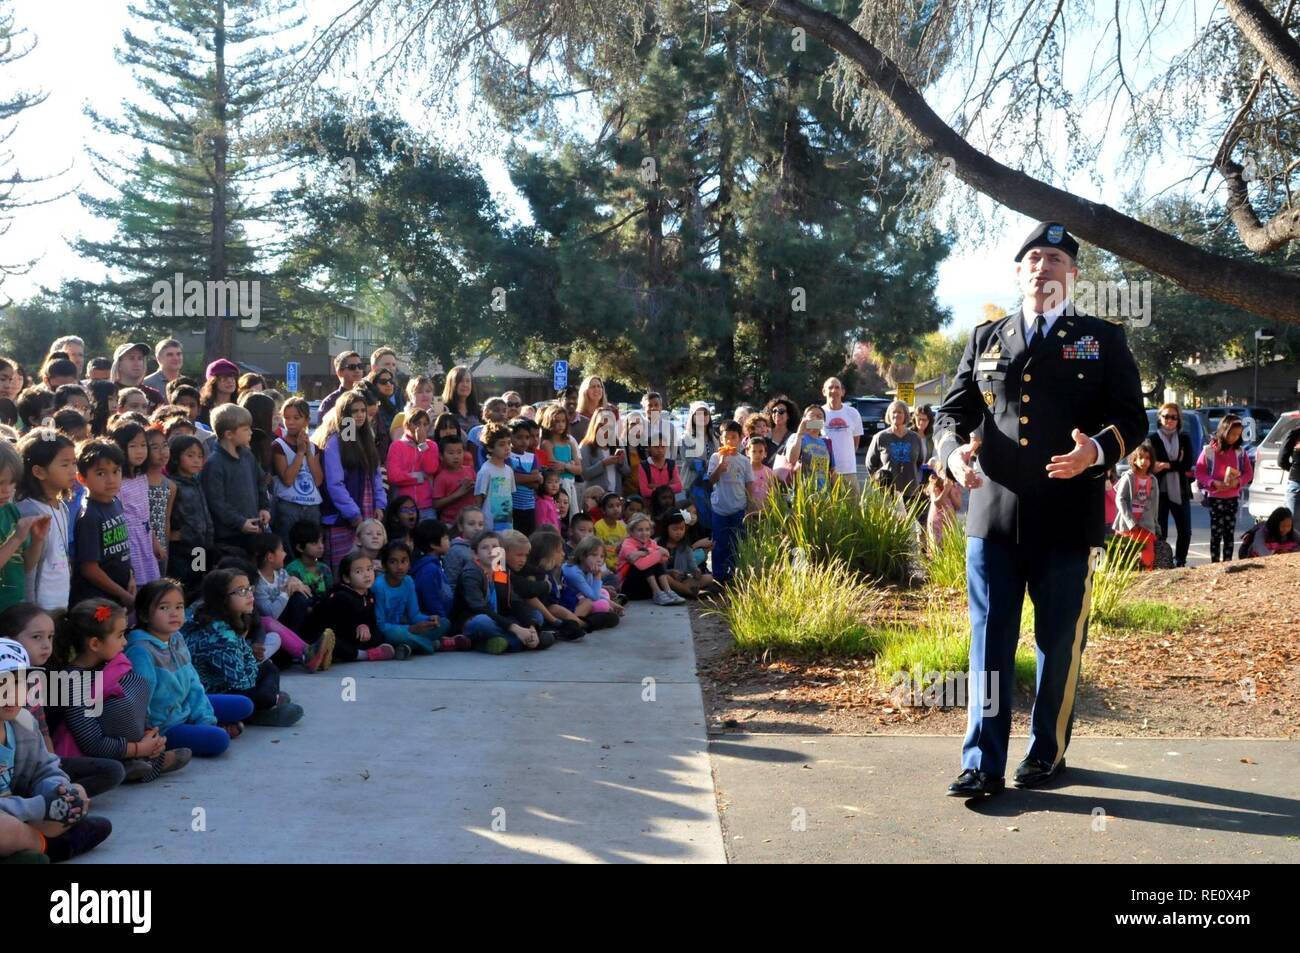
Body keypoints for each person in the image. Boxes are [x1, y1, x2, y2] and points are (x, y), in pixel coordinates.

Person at [933, 221, 1147, 798]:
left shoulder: (1102, 338)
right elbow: (950, 414)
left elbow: (1133, 419)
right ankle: (982, 762)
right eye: (1033, 257)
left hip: (1066, 517)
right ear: (1018, 271)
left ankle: (1046, 751)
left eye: (1055, 258)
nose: (1042, 266)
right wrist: (953, 458)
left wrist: (1096, 452)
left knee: (1058, 643)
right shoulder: (986, 337)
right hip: (994, 517)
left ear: (1073, 274)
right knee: (989, 641)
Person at [50, 598, 190, 782]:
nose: (125, 642)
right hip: (86, 754)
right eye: (119, 635)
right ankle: (134, 763)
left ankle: (142, 760)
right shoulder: (71, 681)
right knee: (112, 771)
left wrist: (149, 736)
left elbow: (135, 706)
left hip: (124, 746)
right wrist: (139, 748)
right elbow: (91, 742)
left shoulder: (107, 664)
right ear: (95, 644)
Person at [0, 638, 113, 862]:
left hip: (19, 815)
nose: (11, 693)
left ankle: (27, 847)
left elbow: (45, 769)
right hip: (8, 821)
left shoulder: (24, 723)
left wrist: (59, 792)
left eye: (19, 684)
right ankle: (52, 847)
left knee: (77, 792)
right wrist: (40, 806)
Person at [5, 603, 126, 797]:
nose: (46, 645)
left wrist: (54, 770)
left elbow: (43, 732)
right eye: (37, 637)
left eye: (50, 637)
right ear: (8, 641)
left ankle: (61, 797)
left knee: (113, 770)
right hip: (11, 767)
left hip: (36, 765)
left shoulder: (37, 677)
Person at [125, 579, 256, 756]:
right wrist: (149, 737)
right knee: (219, 740)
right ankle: (216, 728)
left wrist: (205, 719)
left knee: (244, 704)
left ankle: (211, 726)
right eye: (164, 608)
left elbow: (193, 682)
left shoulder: (176, 638)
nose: (174, 614)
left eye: (179, 607)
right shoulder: (141, 651)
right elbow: (140, 702)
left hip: (184, 705)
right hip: (165, 725)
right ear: (144, 615)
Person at [181, 569, 305, 723]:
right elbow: (243, 682)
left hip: (223, 683)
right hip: (210, 694)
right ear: (223, 599)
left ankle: (268, 702)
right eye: (241, 591)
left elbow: (243, 659)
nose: (250, 594)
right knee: (268, 675)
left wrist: (249, 657)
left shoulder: (218, 620)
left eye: (249, 588)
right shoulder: (220, 636)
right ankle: (261, 711)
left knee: (267, 669)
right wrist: (252, 660)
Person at [314, 390, 386, 574]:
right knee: (344, 570)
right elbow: (335, 483)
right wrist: (352, 513)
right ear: (344, 414)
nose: (360, 415)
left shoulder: (365, 438)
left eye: (363, 410)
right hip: (343, 517)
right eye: (354, 411)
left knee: (364, 569)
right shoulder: (336, 442)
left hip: (367, 511)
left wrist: (380, 504)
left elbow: (375, 476)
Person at [452, 529, 553, 653]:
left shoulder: (499, 569)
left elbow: (513, 600)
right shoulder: (471, 573)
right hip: (472, 620)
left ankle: (510, 640)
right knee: (482, 622)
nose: (491, 551)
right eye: (485, 547)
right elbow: (479, 608)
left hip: (500, 618)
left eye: (495, 547)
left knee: (536, 615)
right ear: (475, 554)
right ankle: (520, 642)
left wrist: (531, 626)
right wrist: (515, 628)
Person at [71, 439, 135, 609]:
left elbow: (122, 549)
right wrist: (122, 594)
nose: (111, 479)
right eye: (101, 473)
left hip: (119, 593)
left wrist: (130, 577)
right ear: (82, 478)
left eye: (116, 471)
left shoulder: (115, 502)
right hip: (98, 601)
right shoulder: (89, 515)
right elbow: (89, 569)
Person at [201, 403, 271, 556]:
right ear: (229, 434)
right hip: (229, 537)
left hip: (253, 530)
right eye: (246, 429)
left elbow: (260, 482)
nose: (250, 433)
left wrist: (264, 507)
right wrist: (240, 522)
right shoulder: (214, 464)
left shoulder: (247, 455)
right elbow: (216, 502)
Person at [1194, 413, 1254, 564]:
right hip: (1215, 498)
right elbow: (1199, 472)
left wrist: (1238, 482)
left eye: (1238, 435)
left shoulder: (1240, 452)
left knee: (1229, 533)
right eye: (1232, 434)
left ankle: (1227, 562)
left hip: (1232, 497)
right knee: (1216, 533)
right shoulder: (1209, 450)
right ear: (1224, 430)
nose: (1234, 437)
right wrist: (1213, 482)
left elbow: (1248, 473)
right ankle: (1215, 563)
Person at [372, 540, 450, 654]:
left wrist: (429, 619)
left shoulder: (408, 581)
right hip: (388, 632)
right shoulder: (379, 586)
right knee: (394, 635)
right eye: (393, 562)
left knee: (444, 623)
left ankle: (410, 645)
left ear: (409, 563)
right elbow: (380, 625)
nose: (399, 567)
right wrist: (410, 629)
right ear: (384, 565)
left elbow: (414, 615)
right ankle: (431, 645)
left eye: (404, 561)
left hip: (405, 629)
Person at [270, 396, 324, 552]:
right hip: (289, 505)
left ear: (306, 420)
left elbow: (318, 480)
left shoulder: (313, 448)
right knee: (289, 548)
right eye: (287, 418)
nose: (291, 422)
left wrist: (308, 452)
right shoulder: (278, 445)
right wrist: (300, 453)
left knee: (312, 547)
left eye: (296, 418)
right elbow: (287, 479)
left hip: (312, 505)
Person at [707, 420, 755, 584]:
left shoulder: (744, 460)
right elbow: (711, 480)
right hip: (720, 508)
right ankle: (718, 576)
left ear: (740, 439)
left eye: (733, 437)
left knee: (737, 542)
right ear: (721, 439)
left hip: (738, 508)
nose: (729, 441)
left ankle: (734, 574)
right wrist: (720, 466)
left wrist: (750, 506)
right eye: (726, 437)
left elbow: (749, 484)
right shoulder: (715, 457)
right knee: (719, 543)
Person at [165, 434, 213, 597]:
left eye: (200, 456)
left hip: (199, 547)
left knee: (198, 584)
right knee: (181, 586)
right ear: (176, 457)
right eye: (190, 455)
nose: (196, 460)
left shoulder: (196, 483)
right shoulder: (172, 485)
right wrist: (177, 535)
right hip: (181, 550)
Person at [1149, 402, 1194, 568]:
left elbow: (1187, 464)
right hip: (1159, 492)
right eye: (1166, 416)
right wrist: (1175, 463)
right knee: (1162, 532)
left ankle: (1180, 561)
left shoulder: (1184, 438)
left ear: (1178, 420)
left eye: (1173, 417)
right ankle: (1163, 563)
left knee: (1185, 531)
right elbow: (1151, 467)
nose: (1170, 420)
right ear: (1160, 418)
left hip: (1180, 490)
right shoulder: (1152, 440)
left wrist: (1166, 465)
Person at [1112, 442, 1161, 570]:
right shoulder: (1128, 477)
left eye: (1148, 458)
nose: (1144, 461)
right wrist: (1130, 521)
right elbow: (1120, 499)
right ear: (1134, 459)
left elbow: (1154, 505)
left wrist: (1156, 525)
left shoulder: (1153, 480)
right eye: (1141, 457)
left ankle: (1145, 585)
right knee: (1127, 559)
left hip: (1146, 526)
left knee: (1147, 558)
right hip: (1129, 526)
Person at [617, 513, 682, 604]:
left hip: (645, 589)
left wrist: (645, 552)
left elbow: (665, 557)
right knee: (647, 562)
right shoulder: (627, 544)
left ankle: (668, 591)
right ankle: (657, 592)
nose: (644, 533)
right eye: (640, 530)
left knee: (654, 561)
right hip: (629, 589)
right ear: (631, 532)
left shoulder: (650, 542)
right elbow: (641, 565)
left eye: (647, 529)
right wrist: (654, 552)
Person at [864, 400, 925, 495]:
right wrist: (877, 482)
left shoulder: (915, 438)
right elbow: (870, 464)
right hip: (887, 494)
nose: (896, 415)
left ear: (905, 415)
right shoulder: (880, 437)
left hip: (911, 492)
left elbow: (919, 462)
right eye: (893, 412)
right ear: (889, 415)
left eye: (900, 412)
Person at [475, 422, 516, 531]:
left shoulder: (509, 470)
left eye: (508, 443)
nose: (507, 447)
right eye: (502, 444)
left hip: (507, 523)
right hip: (489, 525)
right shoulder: (485, 471)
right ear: (490, 448)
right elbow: (478, 500)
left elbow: (509, 496)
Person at [430, 432, 476, 525]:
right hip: (450, 522)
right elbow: (436, 504)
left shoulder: (469, 470)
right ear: (441, 456)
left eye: (459, 452)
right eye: (451, 453)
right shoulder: (441, 477)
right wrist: (459, 493)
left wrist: (473, 486)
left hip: (470, 521)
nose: (456, 456)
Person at [822, 377, 863, 479]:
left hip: (848, 471)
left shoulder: (853, 413)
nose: (834, 390)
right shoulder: (818, 414)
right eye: (830, 387)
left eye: (837, 387)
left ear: (842, 392)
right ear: (824, 392)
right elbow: (811, 436)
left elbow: (856, 441)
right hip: (825, 471)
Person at [109, 343, 165, 409]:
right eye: (131, 358)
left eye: (140, 358)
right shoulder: (109, 393)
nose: (137, 363)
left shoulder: (154, 396)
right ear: (119, 364)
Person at [285, 521, 332, 597]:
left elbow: (329, 592)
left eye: (322, 542)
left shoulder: (324, 568)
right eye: (314, 543)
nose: (321, 546)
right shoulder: (293, 570)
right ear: (300, 547)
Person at [318, 351, 366, 419]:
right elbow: (323, 428)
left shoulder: (368, 396)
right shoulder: (330, 402)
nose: (357, 370)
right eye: (352, 367)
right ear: (339, 372)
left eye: (360, 366)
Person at [196, 359, 239, 426]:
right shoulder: (202, 409)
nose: (230, 381)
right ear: (213, 382)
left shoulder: (240, 405)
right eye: (224, 378)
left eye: (233, 377)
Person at [441, 365, 480, 437]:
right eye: (461, 381)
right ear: (451, 384)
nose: (465, 384)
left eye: (468, 381)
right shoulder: (443, 409)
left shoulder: (479, 409)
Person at [1278, 424, 1300, 520]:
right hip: (1296, 485)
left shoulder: (1294, 434)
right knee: (1292, 528)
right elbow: (1282, 461)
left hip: (1296, 483)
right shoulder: (1294, 434)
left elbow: (1281, 461)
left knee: (1292, 526)